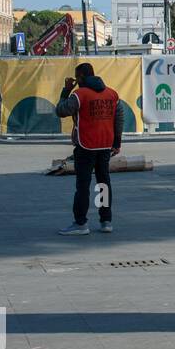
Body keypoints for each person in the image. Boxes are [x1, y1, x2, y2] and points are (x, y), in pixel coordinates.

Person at [55, 62, 123, 234]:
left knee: (83, 185)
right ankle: (106, 221)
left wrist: (66, 90)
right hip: (105, 144)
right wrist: (117, 142)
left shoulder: (79, 94)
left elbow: (61, 111)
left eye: (77, 78)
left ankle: (80, 223)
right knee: (103, 183)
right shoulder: (112, 94)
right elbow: (119, 118)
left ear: (81, 78)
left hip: (86, 145)